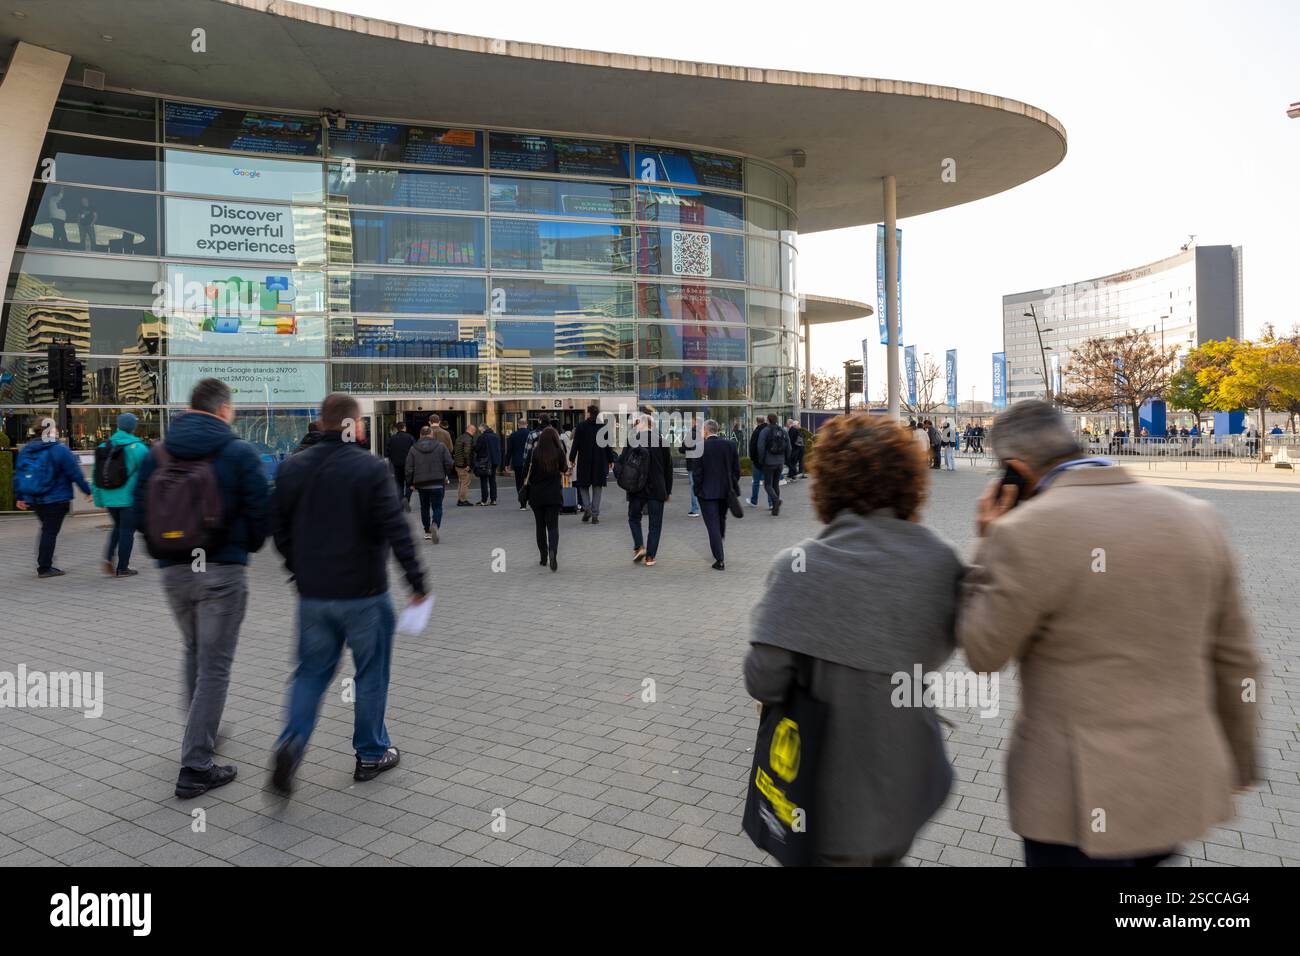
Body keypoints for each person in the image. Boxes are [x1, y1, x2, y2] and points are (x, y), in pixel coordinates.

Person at [958, 400, 1258, 867]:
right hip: (1176, 779)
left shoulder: (1024, 533)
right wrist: (1242, 757)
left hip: (1072, 799)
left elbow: (983, 651)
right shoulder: (1198, 517)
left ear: (1015, 472)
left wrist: (985, 544)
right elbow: (1238, 659)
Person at [746, 414, 960, 865]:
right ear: (909, 482)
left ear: (827, 485)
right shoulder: (941, 562)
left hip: (824, 791)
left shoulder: (799, 567)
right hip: (907, 782)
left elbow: (764, 680)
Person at [270, 393, 428, 793]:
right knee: (370, 674)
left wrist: (298, 569)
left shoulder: (292, 469)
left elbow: (280, 530)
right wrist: (418, 584)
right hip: (365, 595)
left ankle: (292, 741)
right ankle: (371, 754)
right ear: (354, 425)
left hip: (314, 596)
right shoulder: (371, 469)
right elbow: (397, 530)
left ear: (322, 424)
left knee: (310, 674)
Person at [133, 378, 270, 799]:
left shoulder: (158, 453)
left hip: (174, 572)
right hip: (221, 573)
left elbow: (139, 513)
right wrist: (239, 547)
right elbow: (262, 516)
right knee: (215, 664)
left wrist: (166, 552)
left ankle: (201, 733)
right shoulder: (238, 452)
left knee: (194, 651)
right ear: (224, 409)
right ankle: (195, 765)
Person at [13, 420, 93, 578]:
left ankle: (45, 562)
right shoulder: (59, 449)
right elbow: (74, 472)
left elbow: (19, 475)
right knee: (49, 532)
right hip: (56, 498)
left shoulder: (26, 450)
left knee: (47, 530)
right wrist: (87, 491)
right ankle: (44, 567)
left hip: (35, 498)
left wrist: (20, 496)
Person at [91, 412, 150, 577]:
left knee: (118, 527)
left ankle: (109, 556)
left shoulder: (104, 446)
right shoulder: (138, 447)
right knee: (127, 531)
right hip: (129, 498)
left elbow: (96, 475)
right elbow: (149, 474)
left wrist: (98, 499)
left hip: (109, 497)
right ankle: (123, 567)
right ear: (133, 427)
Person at [618, 414, 674, 567]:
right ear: (652, 425)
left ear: (640, 425)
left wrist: (623, 482)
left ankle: (639, 546)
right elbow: (668, 468)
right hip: (657, 488)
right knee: (655, 524)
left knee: (634, 518)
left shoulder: (632, 440)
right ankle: (650, 557)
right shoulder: (662, 441)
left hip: (636, 488)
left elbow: (622, 463)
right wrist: (667, 491)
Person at [694, 419, 740, 570]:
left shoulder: (700, 447)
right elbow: (736, 470)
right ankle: (719, 543)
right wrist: (731, 484)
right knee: (721, 519)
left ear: (706, 431)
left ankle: (719, 559)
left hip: (706, 493)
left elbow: (697, 474)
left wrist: (698, 490)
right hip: (726, 491)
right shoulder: (730, 445)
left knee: (712, 524)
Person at [525, 426, 566, 571]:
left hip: (537, 495)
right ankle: (553, 551)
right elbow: (564, 468)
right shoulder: (558, 452)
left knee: (540, 526)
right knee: (553, 526)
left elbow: (526, 470)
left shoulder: (535, 452)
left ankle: (543, 556)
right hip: (553, 494)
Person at [405, 425, 455, 543]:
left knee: (424, 507)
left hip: (422, 484)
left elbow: (409, 468)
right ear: (432, 434)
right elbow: (449, 463)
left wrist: (410, 482)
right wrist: (445, 475)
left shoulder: (413, 448)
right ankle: (435, 524)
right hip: (438, 482)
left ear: (420, 435)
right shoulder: (441, 446)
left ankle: (427, 531)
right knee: (437, 507)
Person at [569, 405, 614, 524]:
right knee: (597, 488)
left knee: (583, 486)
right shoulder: (603, 427)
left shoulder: (581, 426)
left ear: (588, 413)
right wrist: (611, 460)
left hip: (584, 461)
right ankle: (595, 514)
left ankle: (587, 508)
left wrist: (572, 458)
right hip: (600, 462)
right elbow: (607, 446)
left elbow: (576, 444)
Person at [756, 413, 789, 516]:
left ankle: (776, 500)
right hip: (780, 462)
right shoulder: (782, 431)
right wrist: (786, 459)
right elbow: (789, 446)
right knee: (775, 484)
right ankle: (775, 510)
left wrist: (761, 460)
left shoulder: (765, 431)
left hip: (769, 461)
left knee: (767, 485)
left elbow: (760, 447)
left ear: (768, 420)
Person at [386, 422, 415, 513]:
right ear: (404, 428)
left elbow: (387, 453)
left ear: (397, 429)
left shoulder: (391, 439)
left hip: (396, 465)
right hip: (408, 465)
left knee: (399, 484)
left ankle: (401, 501)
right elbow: (415, 450)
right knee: (409, 483)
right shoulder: (410, 438)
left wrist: (393, 459)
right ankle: (407, 498)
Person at [746, 416, 773, 509]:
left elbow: (752, 446)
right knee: (768, 483)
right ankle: (771, 503)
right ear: (764, 421)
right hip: (769, 461)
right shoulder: (770, 430)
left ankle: (754, 501)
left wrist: (753, 458)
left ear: (757, 422)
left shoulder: (756, 432)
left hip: (757, 461)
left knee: (756, 482)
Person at [472, 423, 501, 505]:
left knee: (484, 481)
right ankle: (493, 500)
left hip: (485, 462)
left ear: (483, 429)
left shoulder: (482, 437)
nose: (480, 431)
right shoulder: (496, 436)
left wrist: (473, 446)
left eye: (480, 430)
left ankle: (484, 500)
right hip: (495, 461)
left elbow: (477, 448)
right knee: (493, 480)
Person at [505, 421, 531, 509]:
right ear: (526, 425)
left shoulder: (513, 435)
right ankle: (531, 500)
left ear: (518, 425)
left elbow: (509, 451)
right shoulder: (530, 434)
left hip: (517, 462)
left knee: (519, 483)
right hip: (529, 463)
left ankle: (522, 504)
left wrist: (507, 463)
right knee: (530, 481)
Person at [452, 423, 476, 507]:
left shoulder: (460, 437)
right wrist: (468, 465)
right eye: (474, 431)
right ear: (471, 430)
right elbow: (467, 453)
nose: (474, 433)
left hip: (458, 463)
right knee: (465, 482)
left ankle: (460, 499)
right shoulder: (468, 439)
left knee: (461, 482)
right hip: (463, 465)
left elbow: (455, 450)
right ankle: (463, 500)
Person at [681, 420, 701, 517]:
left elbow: (682, 448)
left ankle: (695, 509)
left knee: (694, 487)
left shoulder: (690, 435)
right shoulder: (703, 435)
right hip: (702, 463)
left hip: (692, 464)